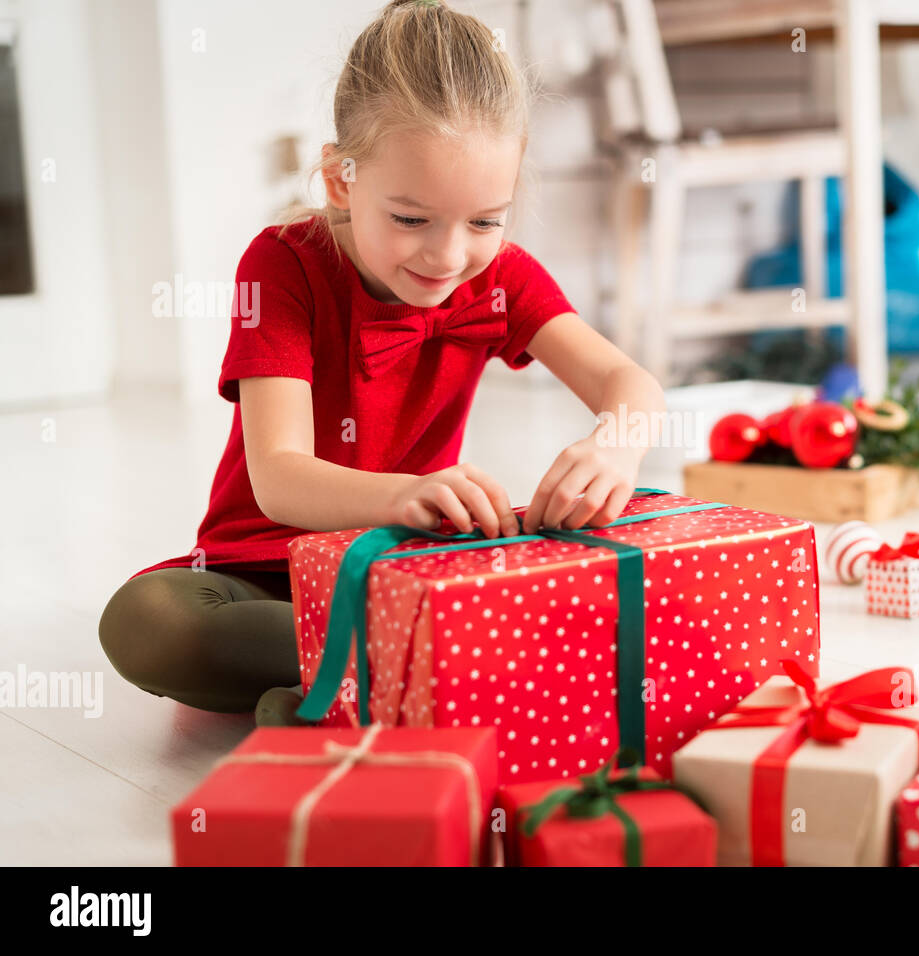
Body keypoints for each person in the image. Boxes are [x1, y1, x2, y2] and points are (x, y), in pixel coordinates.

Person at [98, 0, 665, 726]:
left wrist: (614, 445)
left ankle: (342, 689)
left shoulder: (498, 277)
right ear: (341, 179)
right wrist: (403, 495)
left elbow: (630, 384)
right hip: (263, 575)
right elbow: (278, 478)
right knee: (148, 622)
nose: (448, 255)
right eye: (409, 219)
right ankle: (407, 674)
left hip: (402, 574)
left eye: (485, 221)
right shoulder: (282, 265)